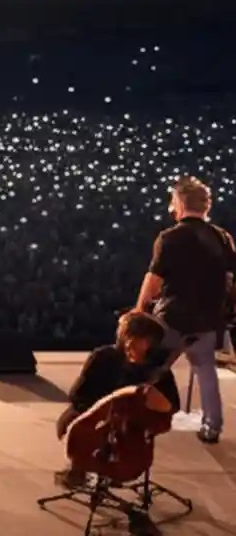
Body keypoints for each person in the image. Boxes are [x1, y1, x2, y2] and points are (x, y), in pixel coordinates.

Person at [132, 176, 234, 444]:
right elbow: (230, 279)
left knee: (150, 368)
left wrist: (139, 310)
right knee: (206, 371)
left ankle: (137, 418)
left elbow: (154, 280)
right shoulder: (222, 238)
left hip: (173, 317)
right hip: (208, 319)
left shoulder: (169, 237)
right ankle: (212, 427)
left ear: (178, 203)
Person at [54, 311, 180, 489]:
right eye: (127, 336)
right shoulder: (103, 356)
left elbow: (170, 408)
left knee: (122, 443)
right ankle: (80, 466)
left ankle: (114, 471)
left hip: (130, 427)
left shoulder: (158, 371)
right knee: (75, 425)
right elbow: (78, 394)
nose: (130, 342)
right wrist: (97, 414)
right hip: (93, 414)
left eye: (139, 338)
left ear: (150, 343)